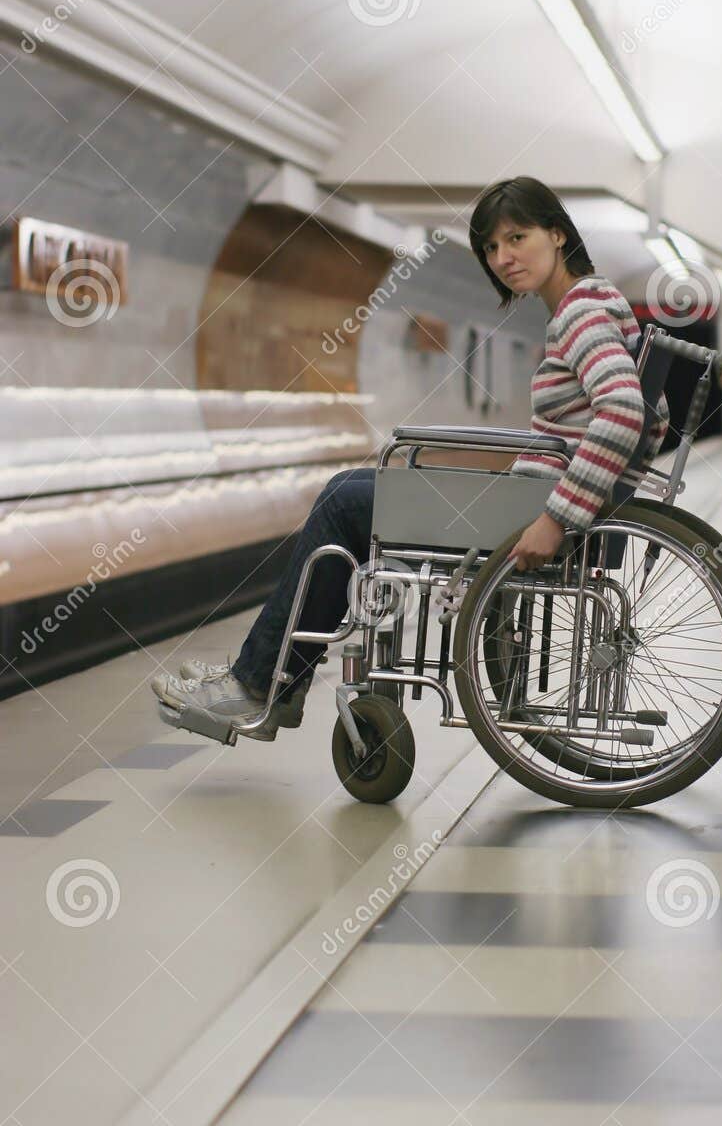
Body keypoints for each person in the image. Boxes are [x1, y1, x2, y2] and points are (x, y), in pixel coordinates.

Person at [152, 177, 668, 739]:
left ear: (558, 234)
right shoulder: (590, 305)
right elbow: (633, 416)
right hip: (535, 499)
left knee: (344, 504)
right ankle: (274, 679)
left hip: (534, 512)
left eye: (517, 238)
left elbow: (622, 410)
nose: (503, 258)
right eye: (491, 247)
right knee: (349, 486)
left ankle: (259, 685)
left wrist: (557, 517)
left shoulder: (581, 311)